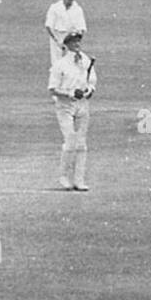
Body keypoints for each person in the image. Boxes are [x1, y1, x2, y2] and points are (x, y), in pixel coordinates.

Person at [47, 32, 96, 191]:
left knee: (81, 143)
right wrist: (69, 93)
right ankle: (63, 177)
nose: (77, 44)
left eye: (78, 41)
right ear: (66, 45)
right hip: (65, 106)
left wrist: (88, 91)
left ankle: (79, 180)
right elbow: (53, 89)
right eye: (73, 42)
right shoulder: (60, 65)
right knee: (70, 141)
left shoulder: (87, 61)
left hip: (82, 105)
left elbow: (92, 82)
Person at [45, 0, 88, 64]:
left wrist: (76, 44)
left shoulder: (78, 9)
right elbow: (48, 26)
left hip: (71, 41)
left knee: (71, 65)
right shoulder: (55, 7)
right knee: (57, 65)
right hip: (57, 41)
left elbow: (81, 29)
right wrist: (57, 41)